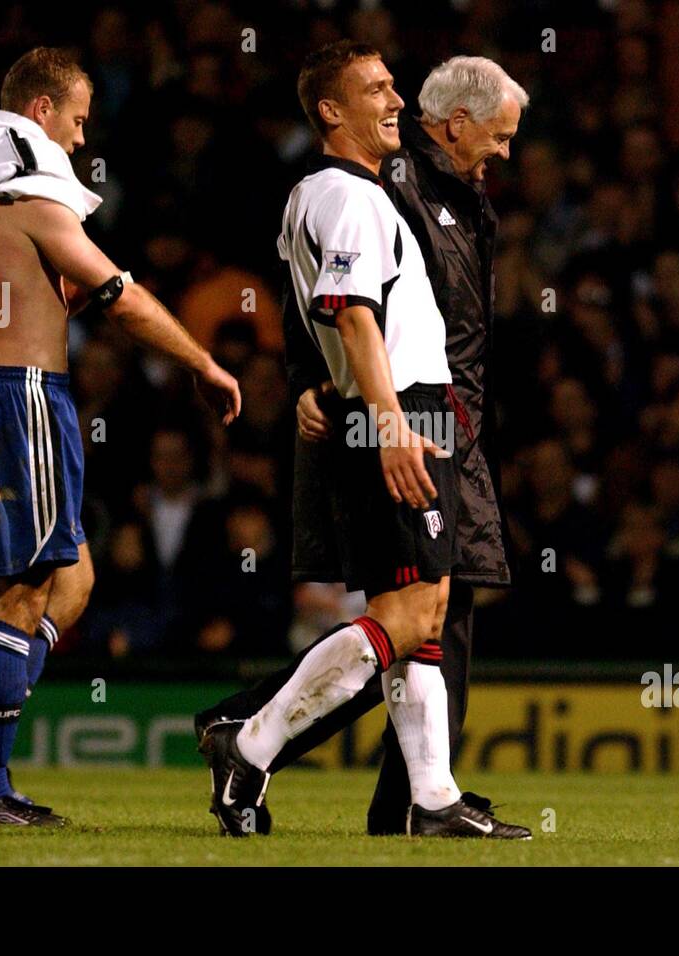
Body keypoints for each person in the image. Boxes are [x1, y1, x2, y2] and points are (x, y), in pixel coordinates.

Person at [196, 41, 528, 839]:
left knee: (425, 608)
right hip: (397, 410)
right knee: (411, 613)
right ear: (330, 112)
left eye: (394, 86)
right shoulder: (348, 195)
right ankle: (252, 738)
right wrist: (388, 420)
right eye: (375, 89)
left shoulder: (354, 193)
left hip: (402, 405)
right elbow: (349, 310)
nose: (395, 101)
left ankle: (432, 799)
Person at [0, 47, 240, 826]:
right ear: (41, 111)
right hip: (25, 393)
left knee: (70, 584)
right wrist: (202, 361)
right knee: (21, 593)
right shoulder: (32, 182)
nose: (77, 140)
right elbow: (121, 297)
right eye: (75, 120)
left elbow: (6, 277)